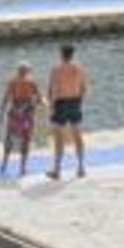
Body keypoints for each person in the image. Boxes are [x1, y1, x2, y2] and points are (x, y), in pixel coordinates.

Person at [46, 44, 89, 180]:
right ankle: (81, 167)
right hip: (75, 101)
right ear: (72, 54)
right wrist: (79, 102)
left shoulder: (56, 69)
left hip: (61, 102)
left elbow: (53, 89)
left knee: (59, 137)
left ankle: (57, 170)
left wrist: (51, 105)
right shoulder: (79, 68)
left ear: (61, 54)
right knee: (77, 134)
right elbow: (84, 88)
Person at [0, 63, 43, 177]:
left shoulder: (12, 82)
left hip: (14, 113)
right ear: (28, 71)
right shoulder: (32, 82)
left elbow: (5, 98)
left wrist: (1, 112)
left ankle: (4, 164)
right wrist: (36, 103)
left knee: (9, 138)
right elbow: (39, 99)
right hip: (26, 114)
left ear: (18, 71)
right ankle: (22, 168)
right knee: (26, 139)